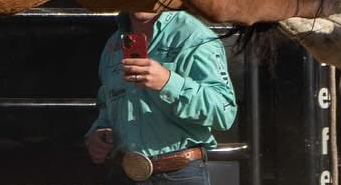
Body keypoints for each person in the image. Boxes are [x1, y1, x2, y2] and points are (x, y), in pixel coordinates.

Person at [85, 10, 236, 184]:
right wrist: (101, 132)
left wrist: (168, 82)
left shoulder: (193, 35)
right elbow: (107, 103)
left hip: (179, 174)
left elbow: (224, 111)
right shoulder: (113, 44)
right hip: (124, 173)